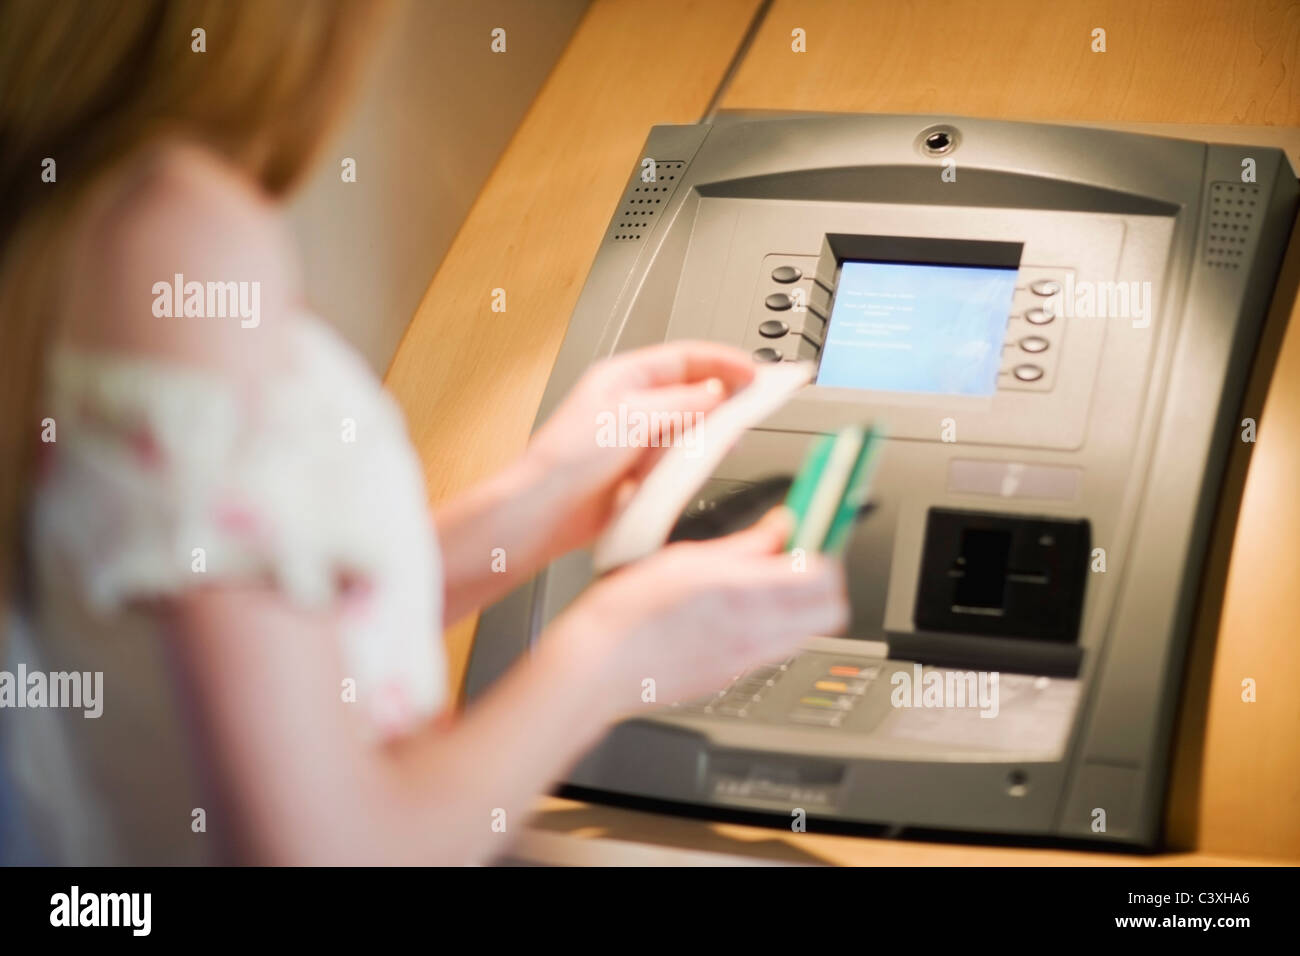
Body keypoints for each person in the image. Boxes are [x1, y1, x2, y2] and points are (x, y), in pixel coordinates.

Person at [0, 0, 847, 864]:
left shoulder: (75, 202)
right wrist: (615, 651)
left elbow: (251, 648)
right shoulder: (181, 230)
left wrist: (532, 500)